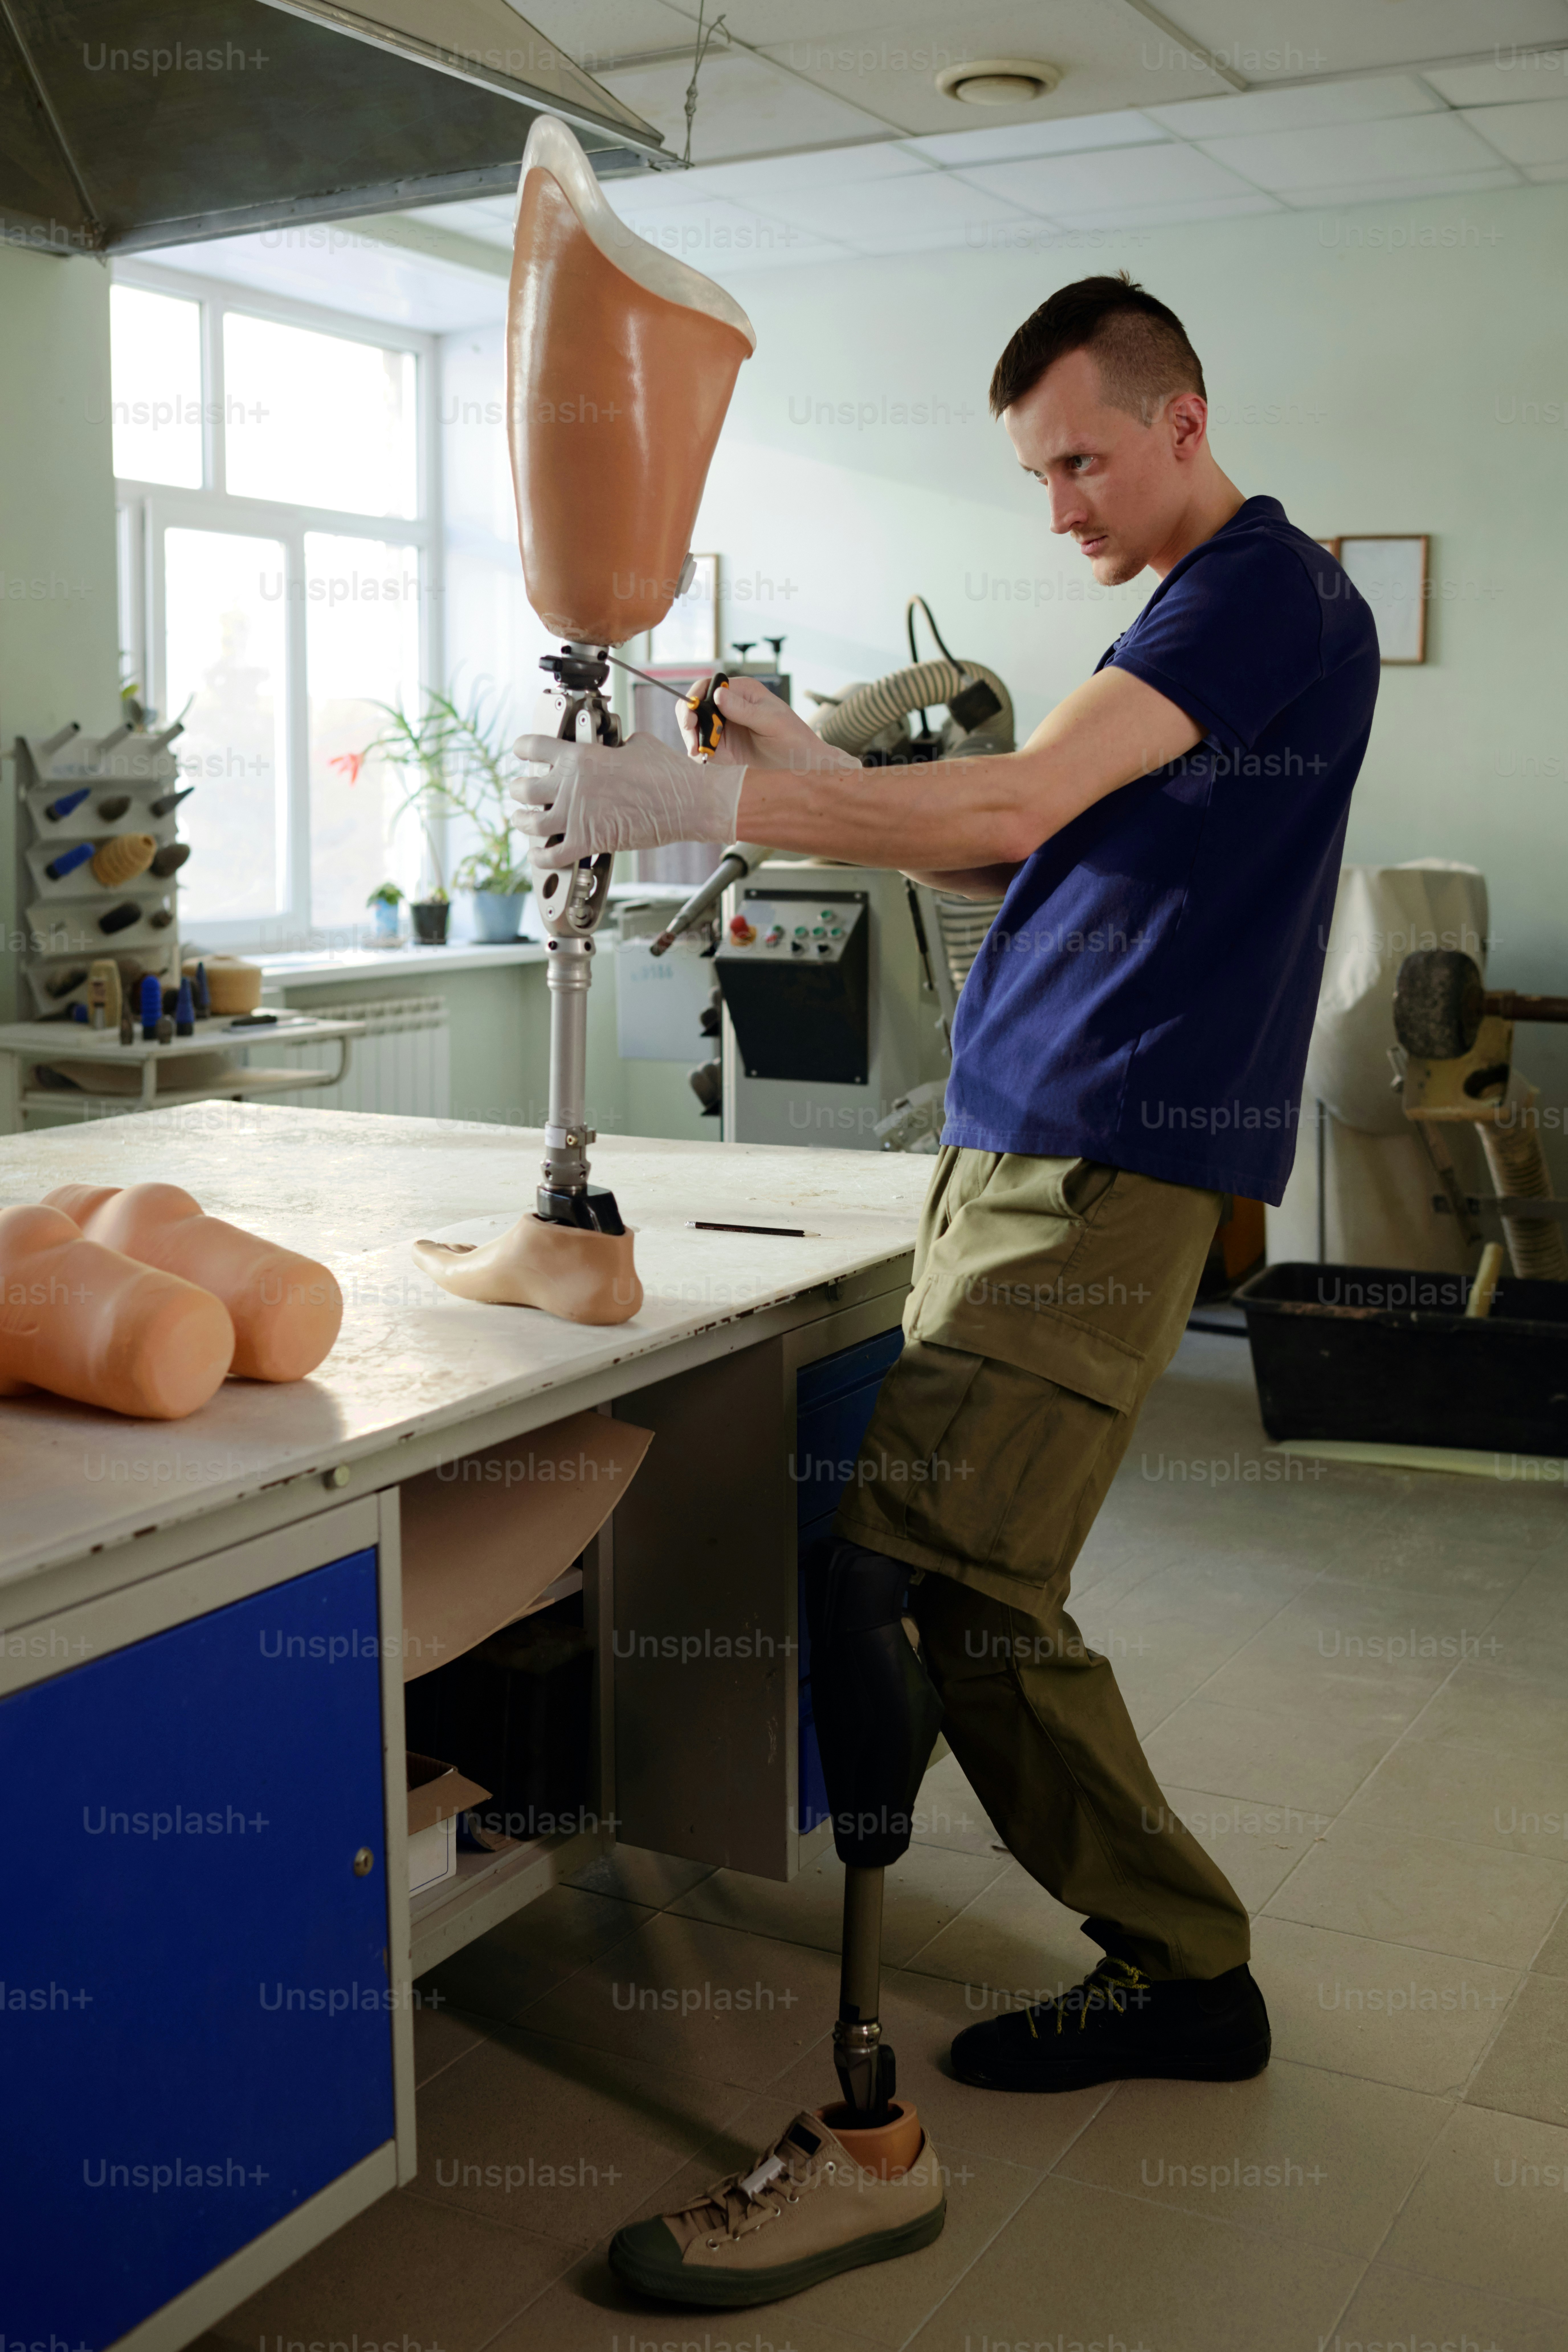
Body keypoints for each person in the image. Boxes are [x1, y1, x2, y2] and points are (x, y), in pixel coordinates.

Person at [513, 270, 1378, 2103]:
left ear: (1183, 422)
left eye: (1081, 463)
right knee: (976, 1590)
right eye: (1034, 474)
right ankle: (1178, 1963)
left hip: (1101, 1168)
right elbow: (1026, 868)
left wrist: (694, 808)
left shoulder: (1262, 592)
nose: (1057, 507)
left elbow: (1004, 809)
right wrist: (814, 769)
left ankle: (1171, 1970)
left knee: (905, 1570)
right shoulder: (1186, 621)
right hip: (1033, 1150)